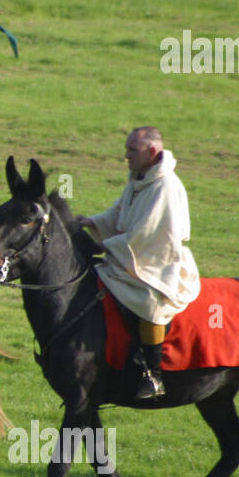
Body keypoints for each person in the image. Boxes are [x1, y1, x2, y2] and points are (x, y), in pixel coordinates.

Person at [73, 126, 200, 399]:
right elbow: (119, 212)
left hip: (159, 264)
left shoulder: (165, 187)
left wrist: (101, 245)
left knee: (150, 303)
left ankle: (153, 375)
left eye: (132, 150)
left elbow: (145, 235)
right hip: (133, 257)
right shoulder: (140, 178)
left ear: (151, 152)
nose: (126, 156)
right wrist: (91, 222)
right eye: (127, 149)